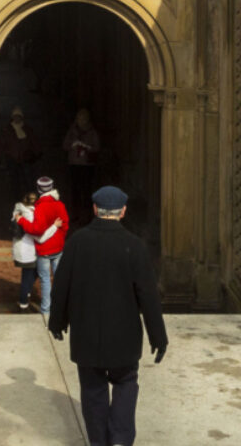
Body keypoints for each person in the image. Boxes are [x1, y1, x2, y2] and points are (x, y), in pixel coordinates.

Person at [49, 186, 167, 446]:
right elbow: (148, 296)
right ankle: (121, 440)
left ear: (94, 209)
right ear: (123, 211)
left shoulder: (77, 242)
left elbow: (61, 286)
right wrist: (158, 336)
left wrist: (57, 321)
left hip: (87, 336)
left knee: (92, 391)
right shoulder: (134, 246)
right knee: (126, 384)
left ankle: (99, 441)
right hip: (124, 337)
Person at [20, 175, 70, 318]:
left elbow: (37, 229)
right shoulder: (60, 205)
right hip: (58, 248)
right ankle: (60, 307)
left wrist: (22, 221)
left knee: (45, 280)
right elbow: (65, 225)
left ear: (38, 189)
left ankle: (46, 310)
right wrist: (59, 238)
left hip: (44, 250)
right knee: (59, 279)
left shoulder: (40, 207)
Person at [10, 191, 43, 312]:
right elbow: (34, 229)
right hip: (28, 249)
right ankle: (23, 301)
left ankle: (27, 293)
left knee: (33, 272)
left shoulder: (19, 209)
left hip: (26, 248)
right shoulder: (27, 212)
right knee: (29, 274)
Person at [65, 108, 103, 206]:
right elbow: (65, 145)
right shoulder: (72, 131)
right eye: (80, 119)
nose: (82, 121)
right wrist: (72, 145)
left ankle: (86, 212)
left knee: (86, 189)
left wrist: (87, 147)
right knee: (75, 189)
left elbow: (97, 147)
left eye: (84, 119)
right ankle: (75, 211)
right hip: (74, 163)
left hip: (87, 164)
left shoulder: (92, 132)